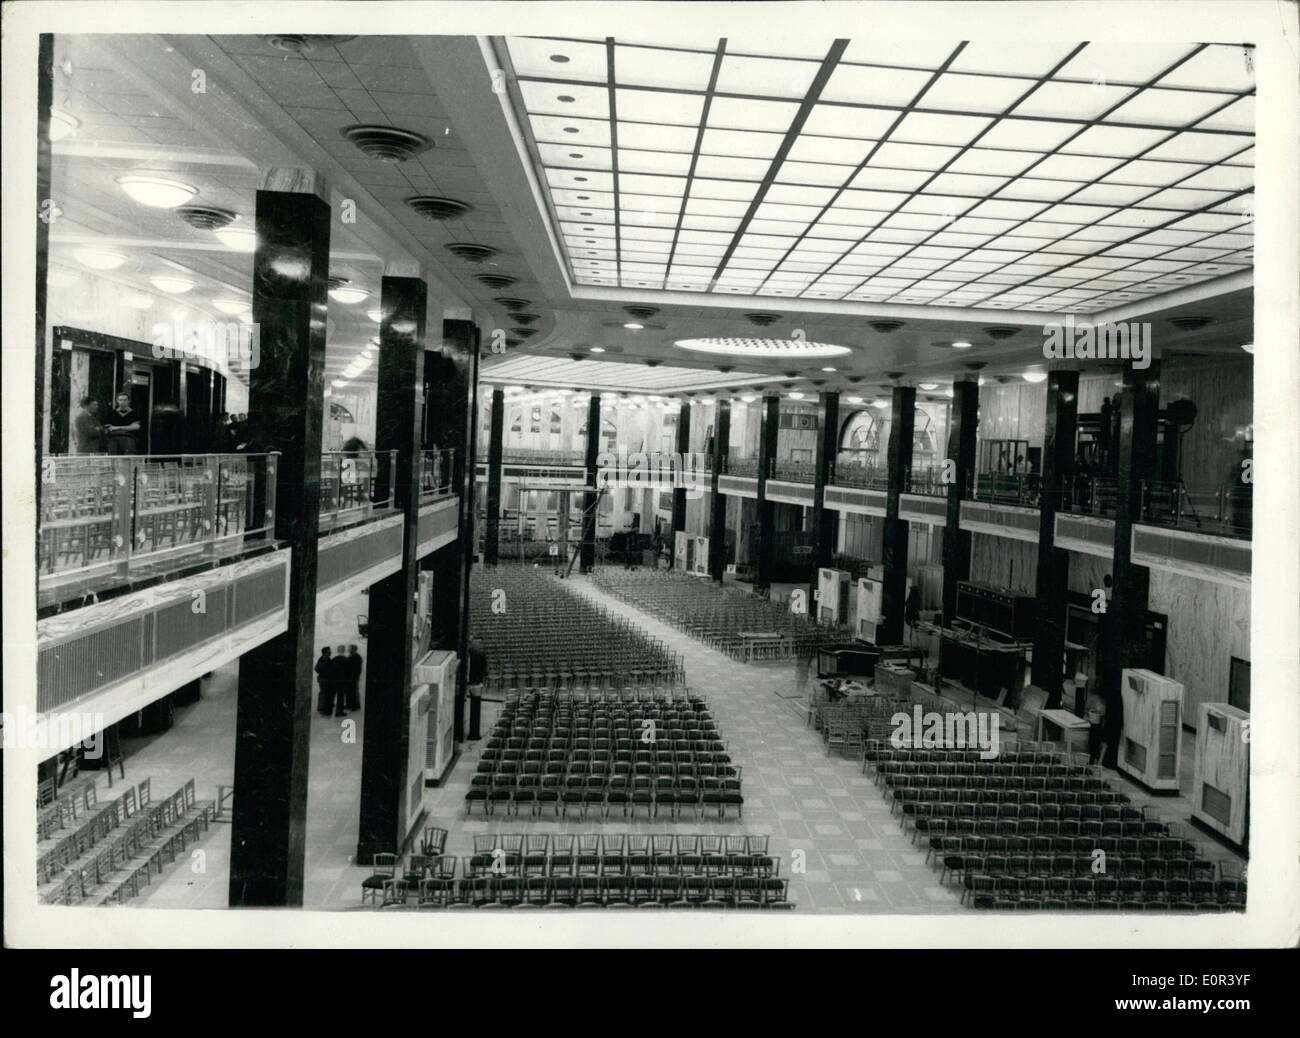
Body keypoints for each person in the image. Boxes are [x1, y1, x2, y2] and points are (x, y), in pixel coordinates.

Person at [103, 391, 142, 455]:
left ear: (129, 401)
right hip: (113, 440)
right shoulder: (111, 413)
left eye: (125, 400)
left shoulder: (135, 413)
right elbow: (108, 428)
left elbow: (136, 427)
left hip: (129, 439)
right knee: (113, 460)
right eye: (120, 400)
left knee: (127, 460)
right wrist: (129, 427)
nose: (122, 402)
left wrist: (117, 427)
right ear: (117, 401)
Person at [466, 635, 488, 740]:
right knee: (475, 707)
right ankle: (474, 733)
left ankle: (474, 734)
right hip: (475, 682)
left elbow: (484, 669)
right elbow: (484, 670)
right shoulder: (477, 654)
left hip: (473, 682)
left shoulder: (475, 653)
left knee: (474, 707)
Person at [1085, 687, 1106, 765]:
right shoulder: (1101, 704)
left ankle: (1092, 760)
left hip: (1097, 726)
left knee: (1093, 744)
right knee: (1093, 745)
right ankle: (1092, 760)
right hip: (1096, 726)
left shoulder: (1100, 704)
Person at [329, 644, 350, 717]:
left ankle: (328, 709)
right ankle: (339, 712)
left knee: (332, 695)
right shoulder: (346, 660)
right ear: (344, 650)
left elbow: (330, 670)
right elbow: (348, 672)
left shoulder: (334, 659)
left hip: (334, 680)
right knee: (340, 697)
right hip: (342, 681)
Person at [315, 646, 333, 716]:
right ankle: (322, 709)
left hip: (324, 679)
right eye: (329, 651)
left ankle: (322, 708)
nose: (330, 652)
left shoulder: (326, 659)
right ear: (326, 652)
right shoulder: (323, 660)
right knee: (324, 693)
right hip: (324, 679)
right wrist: (324, 673)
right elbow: (317, 669)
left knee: (324, 693)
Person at [345, 644, 363, 712]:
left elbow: (357, 669)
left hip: (354, 677)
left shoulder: (357, 657)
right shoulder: (350, 656)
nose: (349, 650)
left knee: (354, 692)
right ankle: (349, 704)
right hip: (349, 677)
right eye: (349, 648)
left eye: (350, 648)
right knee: (348, 691)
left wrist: (354, 676)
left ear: (354, 649)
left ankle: (355, 706)